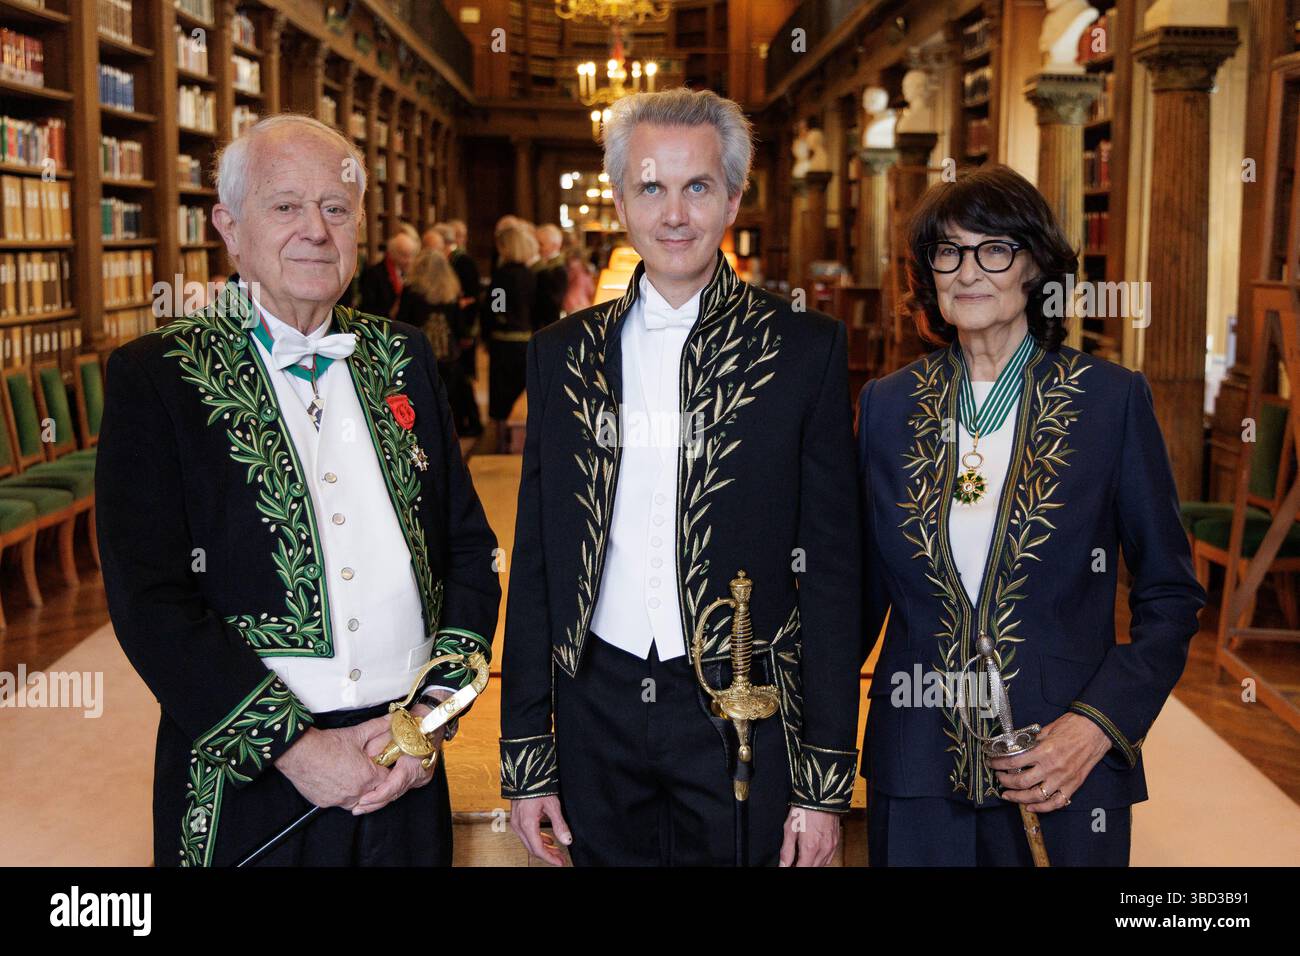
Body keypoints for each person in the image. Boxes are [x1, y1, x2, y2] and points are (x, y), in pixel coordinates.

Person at [95, 114, 500, 867]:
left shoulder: (404, 354)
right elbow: (148, 598)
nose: (315, 229)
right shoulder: (156, 377)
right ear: (229, 226)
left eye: (336, 209)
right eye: (285, 206)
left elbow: (471, 549)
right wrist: (292, 748)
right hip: (246, 777)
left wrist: (429, 720)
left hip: (402, 763)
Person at [499, 88, 862, 866]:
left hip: (743, 710)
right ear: (622, 202)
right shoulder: (560, 353)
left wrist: (824, 780)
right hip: (594, 705)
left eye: (696, 187)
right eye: (651, 187)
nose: (673, 214)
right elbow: (538, 562)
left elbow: (832, 575)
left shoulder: (805, 352)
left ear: (732, 198)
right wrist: (527, 755)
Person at [857, 164, 1206, 866]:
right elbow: (854, 599)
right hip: (918, 765)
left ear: (1035, 266)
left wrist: (1096, 727)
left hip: (1063, 769)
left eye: (994, 249)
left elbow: (1171, 595)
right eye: (948, 252)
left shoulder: (1110, 401)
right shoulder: (885, 406)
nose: (968, 270)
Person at [396, 247, 482, 439]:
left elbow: (402, 322)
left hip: (419, 354)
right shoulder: (450, 292)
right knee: (449, 398)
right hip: (448, 355)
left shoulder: (411, 291)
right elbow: (460, 327)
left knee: (423, 398)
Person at [486, 223, 537, 451]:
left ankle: (501, 443)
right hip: (526, 340)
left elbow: (497, 309)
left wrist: (500, 321)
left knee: (501, 397)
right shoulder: (531, 275)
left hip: (503, 343)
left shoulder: (501, 276)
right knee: (523, 394)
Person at [446, 219, 482, 386]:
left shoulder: (465, 261)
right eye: (457, 236)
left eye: (463, 236)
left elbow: (476, 294)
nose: (461, 240)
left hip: (465, 318)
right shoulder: (454, 259)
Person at [358, 232, 416, 319]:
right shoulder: (373, 274)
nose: (409, 261)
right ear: (392, 253)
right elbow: (368, 309)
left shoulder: (409, 273)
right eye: (404, 255)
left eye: (411, 255)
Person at [530, 223, 568, 329]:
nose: (538, 248)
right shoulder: (543, 265)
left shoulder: (559, 269)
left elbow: (553, 302)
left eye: (541, 244)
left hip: (548, 326)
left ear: (555, 246)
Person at [561, 247, 595, 314]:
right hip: (583, 304)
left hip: (570, 304)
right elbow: (591, 290)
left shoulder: (570, 269)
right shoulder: (586, 270)